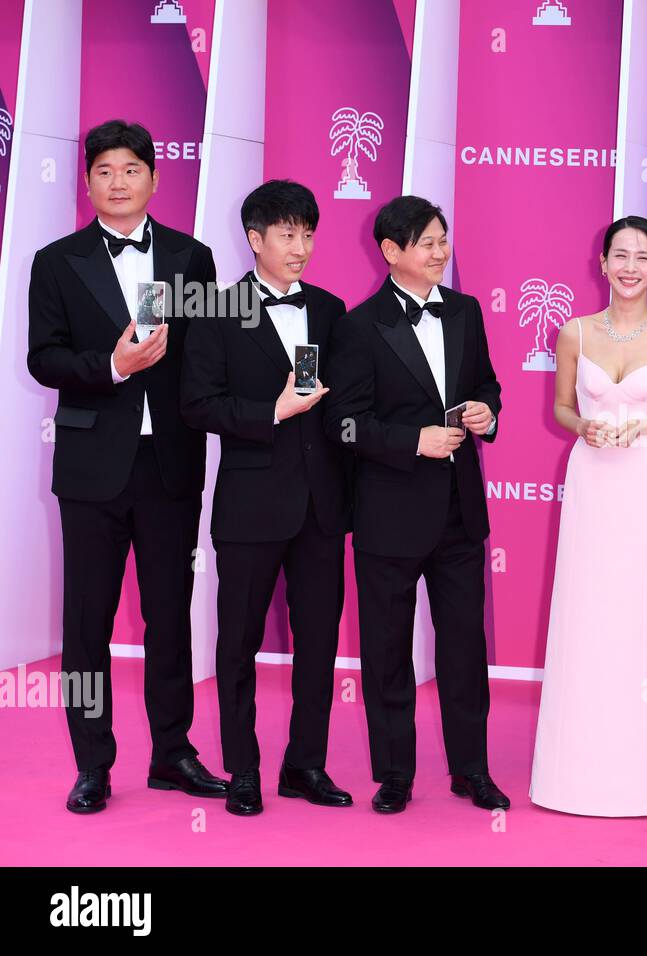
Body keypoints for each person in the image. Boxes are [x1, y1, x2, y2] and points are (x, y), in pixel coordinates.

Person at [27, 119, 227, 812]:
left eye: (131, 169)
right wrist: (113, 365)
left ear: (154, 177)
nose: (118, 181)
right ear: (88, 182)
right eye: (105, 170)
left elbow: (208, 357)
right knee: (87, 625)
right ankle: (93, 764)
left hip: (169, 465)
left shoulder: (190, 257)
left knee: (170, 618)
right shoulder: (56, 261)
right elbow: (42, 357)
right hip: (90, 470)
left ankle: (172, 752)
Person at [324, 196, 506, 814]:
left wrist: (488, 411)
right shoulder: (356, 325)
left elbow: (487, 382)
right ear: (391, 252)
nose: (439, 252)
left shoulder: (465, 311)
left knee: (464, 648)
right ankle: (395, 773)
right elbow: (344, 426)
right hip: (389, 514)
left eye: (443, 239)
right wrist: (412, 442)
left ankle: (471, 769)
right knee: (387, 650)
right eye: (426, 242)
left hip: (458, 512)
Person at [180, 180, 352, 816]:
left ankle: (305, 763)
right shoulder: (216, 311)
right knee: (238, 643)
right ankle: (243, 767)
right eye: (287, 234)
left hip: (323, 506)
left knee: (319, 643)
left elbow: (348, 404)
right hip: (251, 505)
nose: (300, 246)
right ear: (254, 239)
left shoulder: (332, 311)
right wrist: (270, 411)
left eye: (308, 233)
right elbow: (196, 404)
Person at [529, 216, 647, 816]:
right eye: (620, 256)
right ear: (602, 263)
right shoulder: (574, 332)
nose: (630, 267)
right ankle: (570, 772)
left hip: (642, 482)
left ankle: (636, 776)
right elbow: (560, 407)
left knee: (637, 617)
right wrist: (585, 426)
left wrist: (646, 425)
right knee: (584, 612)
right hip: (591, 479)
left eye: (642, 258)